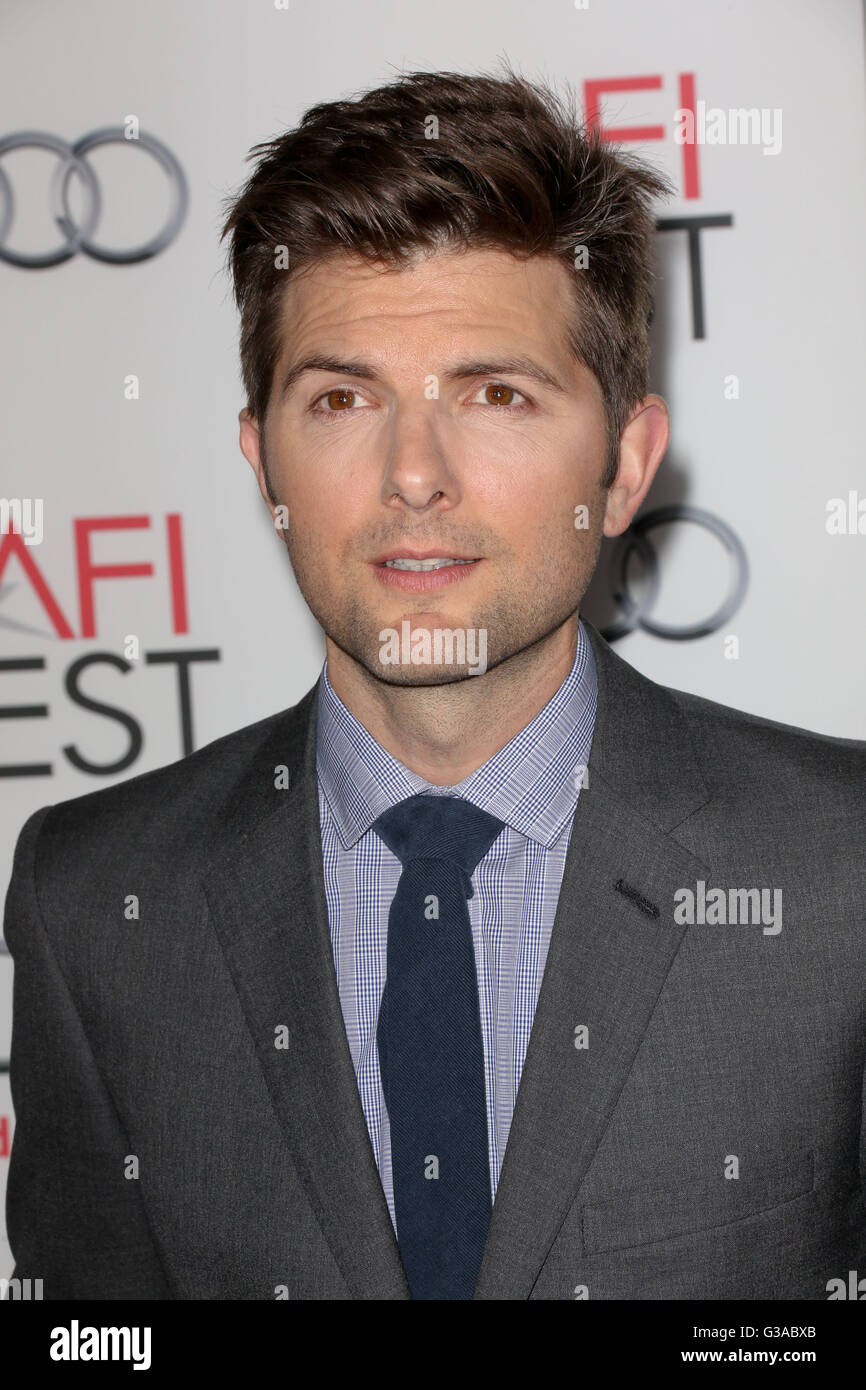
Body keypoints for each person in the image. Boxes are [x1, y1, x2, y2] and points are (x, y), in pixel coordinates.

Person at [4, 66, 865, 1301]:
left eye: (496, 394)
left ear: (622, 467)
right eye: (344, 397)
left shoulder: (838, 869)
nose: (414, 473)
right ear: (265, 463)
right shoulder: (95, 899)